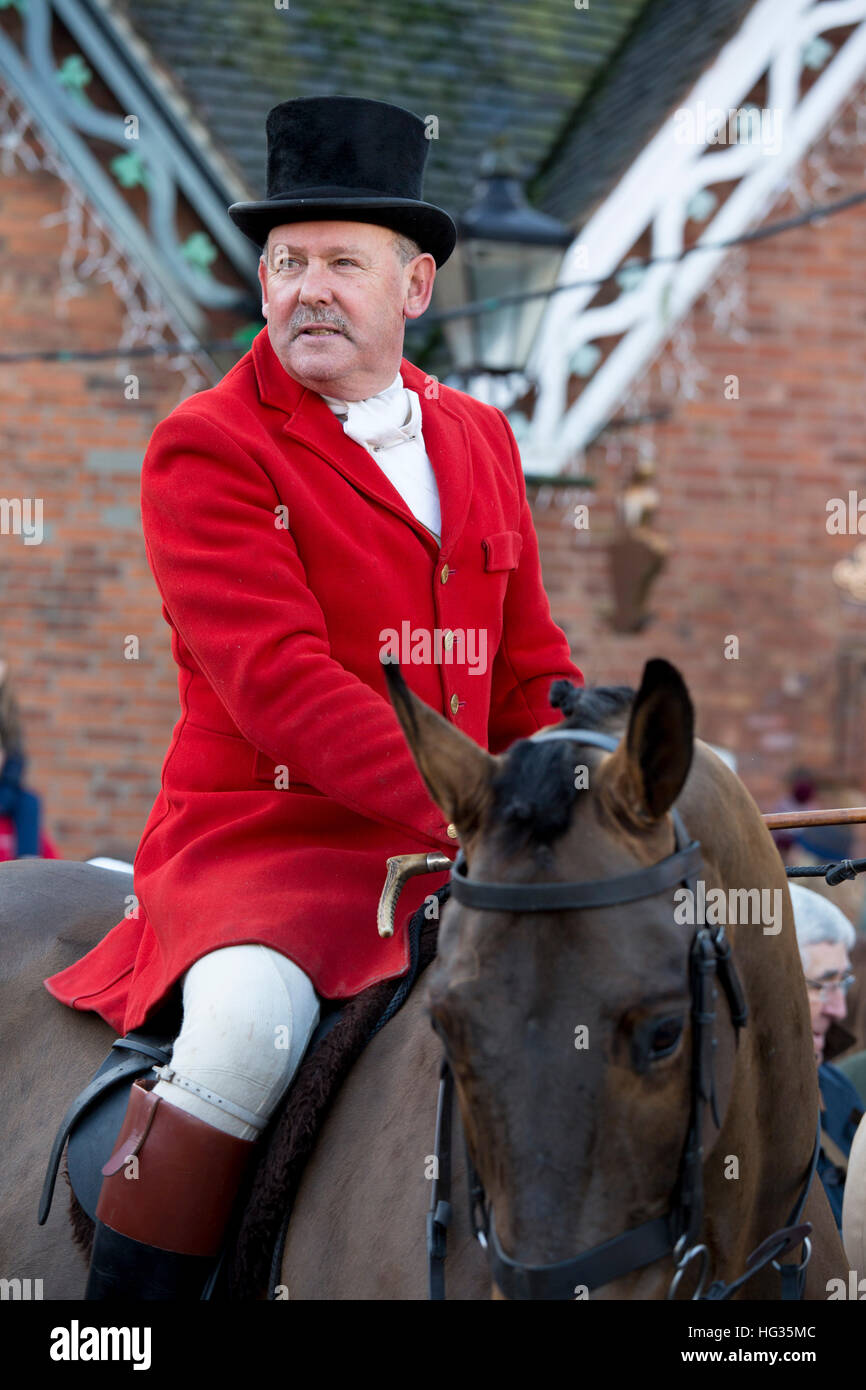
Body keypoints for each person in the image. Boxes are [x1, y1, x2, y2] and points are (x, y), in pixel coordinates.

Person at [42, 96, 584, 1298]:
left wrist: (579, 775)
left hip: (468, 852)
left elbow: (527, 661)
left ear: (415, 288)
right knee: (245, 1036)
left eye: (342, 261)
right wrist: (487, 802)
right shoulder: (209, 444)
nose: (307, 289)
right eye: (286, 263)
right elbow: (283, 688)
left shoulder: (481, 438)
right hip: (269, 857)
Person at [789, 882, 864, 1230]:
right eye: (823, 984)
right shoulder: (717, 1115)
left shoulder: (836, 1087)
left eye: (843, 983)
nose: (838, 1009)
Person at [0, 658, 59, 861]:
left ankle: (27, 863)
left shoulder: (9, 712)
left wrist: (7, 791)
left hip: (4, 785)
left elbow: (15, 758)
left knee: (29, 801)